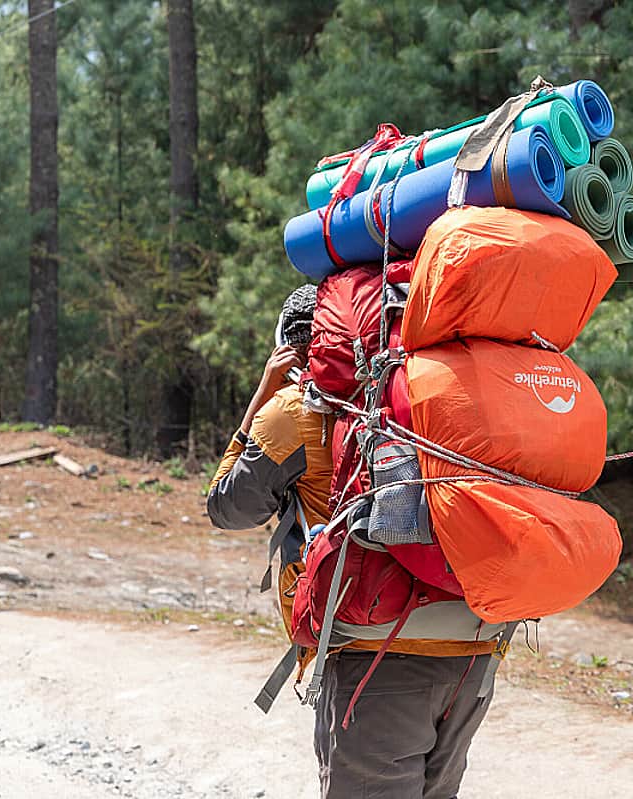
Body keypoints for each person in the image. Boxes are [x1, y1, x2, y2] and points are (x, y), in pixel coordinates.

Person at [208, 284, 503, 799]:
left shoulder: (293, 411)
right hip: (474, 643)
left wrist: (261, 394)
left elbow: (228, 507)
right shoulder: (434, 394)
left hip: (375, 649)